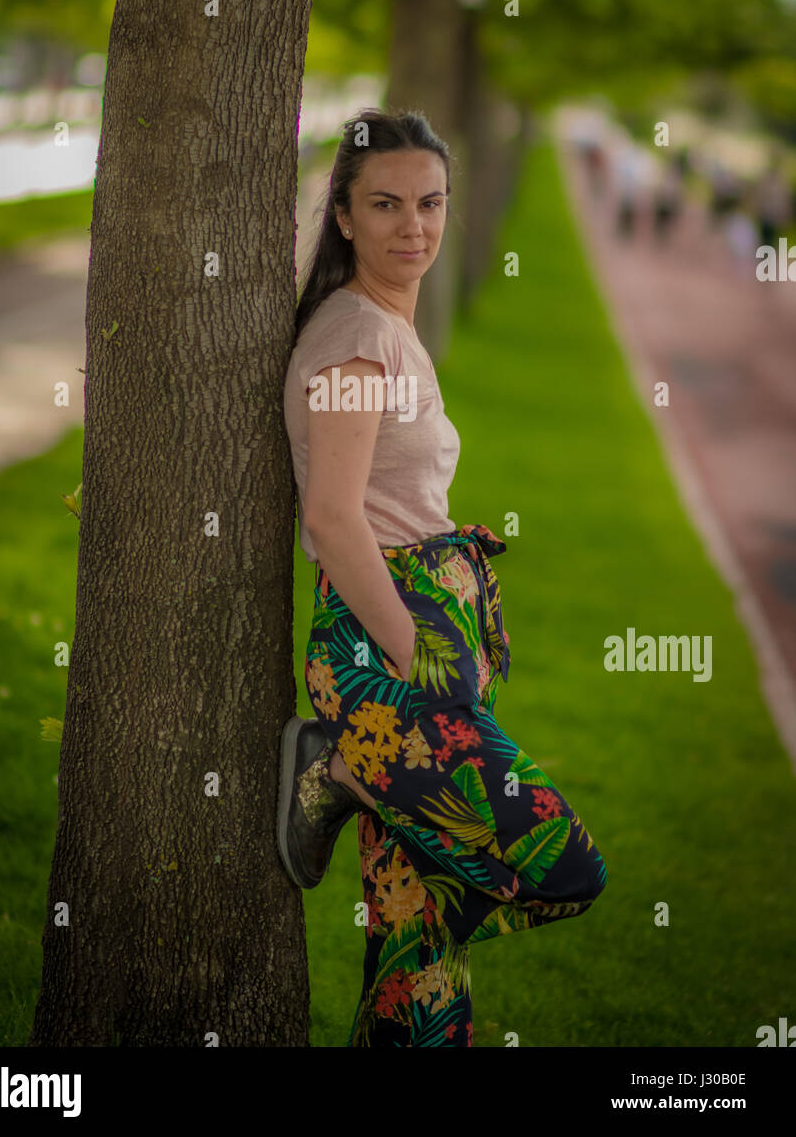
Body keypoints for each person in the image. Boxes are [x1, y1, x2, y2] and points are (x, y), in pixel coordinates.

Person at [278, 108, 607, 1048]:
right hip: (388, 657)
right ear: (342, 215)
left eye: (430, 203)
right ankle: (337, 771)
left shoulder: (384, 325)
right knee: (561, 864)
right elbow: (334, 519)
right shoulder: (354, 339)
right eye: (385, 204)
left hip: (420, 638)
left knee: (415, 954)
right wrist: (418, 651)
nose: (412, 226)